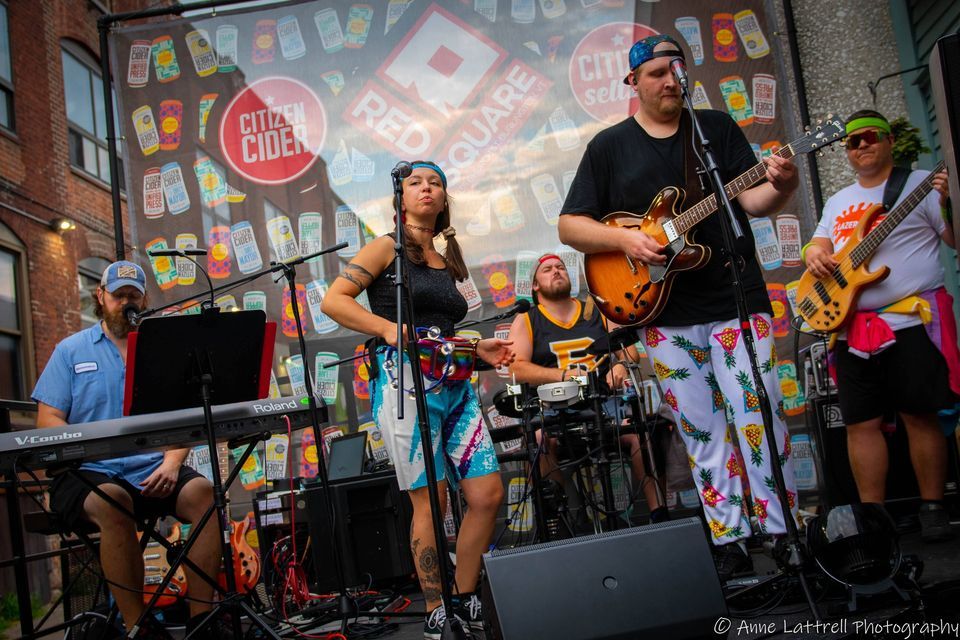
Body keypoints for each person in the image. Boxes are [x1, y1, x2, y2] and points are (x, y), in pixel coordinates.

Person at [558, 34, 800, 581]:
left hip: (736, 298)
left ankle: (783, 530)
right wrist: (625, 243)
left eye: (677, 70)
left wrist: (783, 184)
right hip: (662, 315)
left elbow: (754, 199)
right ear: (634, 83)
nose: (670, 81)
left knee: (758, 415)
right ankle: (730, 536)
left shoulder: (713, 130)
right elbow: (570, 224)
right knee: (700, 427)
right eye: (657, 73)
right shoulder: (609, 146)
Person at [322, 161, 513, 639]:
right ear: (400, 197)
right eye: (415, 183)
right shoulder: (387, 247)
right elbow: (334, 300)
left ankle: (465, 596)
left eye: (435, 183)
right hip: (403, 381)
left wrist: (478, 349)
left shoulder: (447, 254)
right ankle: (435, 608)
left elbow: (441, 332)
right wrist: (386, 327)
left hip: (454, 380)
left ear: (445, 198)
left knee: (487, 493)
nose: (426, 189)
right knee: (433, 500)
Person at [32, 261, 230, 639]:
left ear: (144, 300)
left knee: (204, 494)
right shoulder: (70, 351)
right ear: (100, 297)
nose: (125, 302)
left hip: (153, 469)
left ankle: (202, 621)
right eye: (118, 295)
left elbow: (182, 420)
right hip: (89, 474)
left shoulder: (165, 352)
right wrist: (85, 449)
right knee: (114, 501)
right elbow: (48, 420)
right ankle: (137, 626)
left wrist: (173, 463)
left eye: (132, 296)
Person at [804, 109, 957, 542]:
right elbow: (819, 242)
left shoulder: (923, 182)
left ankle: (933, 506)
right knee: (861, 422)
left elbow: (954, 239)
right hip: (852, 327)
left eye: (871, 137)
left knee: (919, 414)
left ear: (889, 140)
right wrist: (814, 253)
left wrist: (949, 201)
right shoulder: (838, 201)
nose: (862, 145)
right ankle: (874, 519)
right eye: (853, 142)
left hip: (910, 321)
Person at [507, 253, 668, 523]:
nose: (556, 271)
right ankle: (558, 518)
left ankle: (659, 514)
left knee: (639, 433)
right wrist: (562, 374)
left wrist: (619, 367)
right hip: (554, 408)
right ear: (535, 286)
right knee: (539, 440)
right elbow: (516, 368)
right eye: (547, 270)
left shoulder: (597, 310)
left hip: (603, 403)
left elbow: (629, 352)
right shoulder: (527, 319)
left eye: (561, 267)